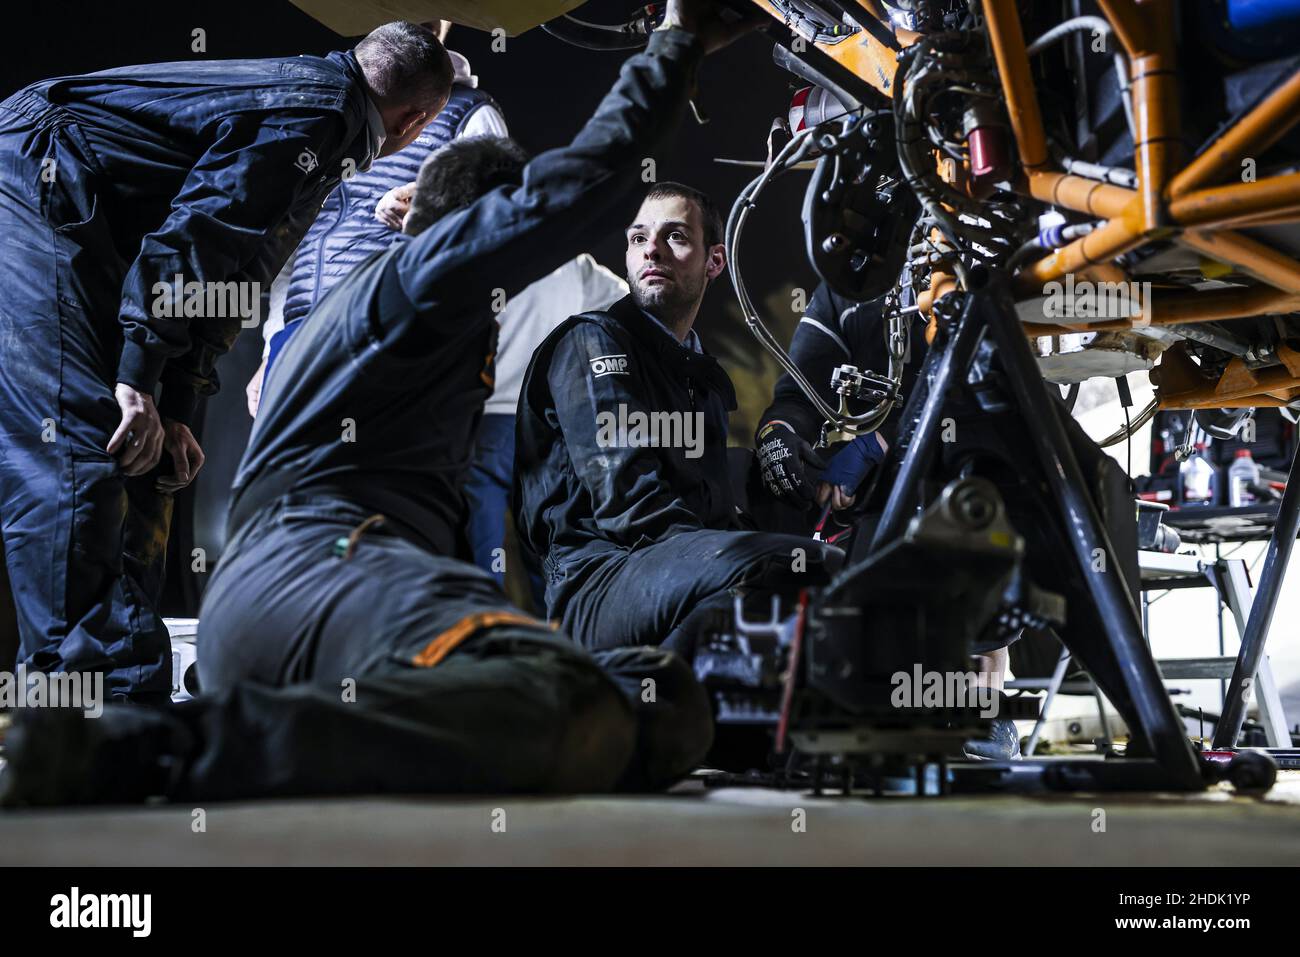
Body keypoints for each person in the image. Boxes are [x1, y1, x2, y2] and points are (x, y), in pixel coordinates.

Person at [0, 0, 758, 807]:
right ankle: (144, 743)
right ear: (481, 229)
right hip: (325, 568)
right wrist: (679, 44)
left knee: (632, 698)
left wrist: (173, 392)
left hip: (265, 613)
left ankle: (182, 726)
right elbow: (592, 175)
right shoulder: (429, 275)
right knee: (611, 707)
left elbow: (217, 251)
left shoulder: (359, 306)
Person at [0, 21, 453, 702]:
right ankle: (85, 703)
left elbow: (236, 270)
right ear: (417, 121)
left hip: (91, 201)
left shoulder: (323, 114)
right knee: (79, 436)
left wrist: (176, 406)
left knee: (150, 458)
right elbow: (198, 239)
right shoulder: (317, 113)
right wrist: (135, 377)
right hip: (37, 169)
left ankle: (121, 689)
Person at [514, 182, 842, 658]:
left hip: (674, 567)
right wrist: (737, 553)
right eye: (638, 237)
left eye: (675, 237)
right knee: (795, 564)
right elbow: (631, 503)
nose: (651, 249)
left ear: (714, 262)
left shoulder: (702, 379)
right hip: (595, 583)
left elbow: (713, 503)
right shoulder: (593, 343)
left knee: (834, 567)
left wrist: (818, 490)